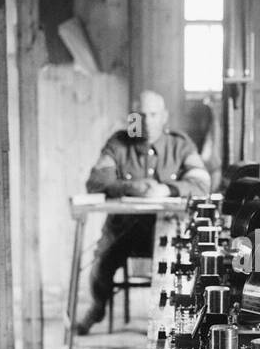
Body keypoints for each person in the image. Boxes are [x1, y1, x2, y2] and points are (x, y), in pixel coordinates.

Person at [75, 90, 211, 335]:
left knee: (186, 270)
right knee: (101, 265)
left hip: (167, 230)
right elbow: (95, 181)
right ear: (132, 119)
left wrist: (168, 189)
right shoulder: (118, 144)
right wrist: (130, 187)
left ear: (164, 117)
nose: (147, 121)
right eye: (140, 115)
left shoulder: (180, 145)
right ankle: (97, 308)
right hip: (123, 230)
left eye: (153, 114)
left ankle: (176, 329)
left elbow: (201, 183)